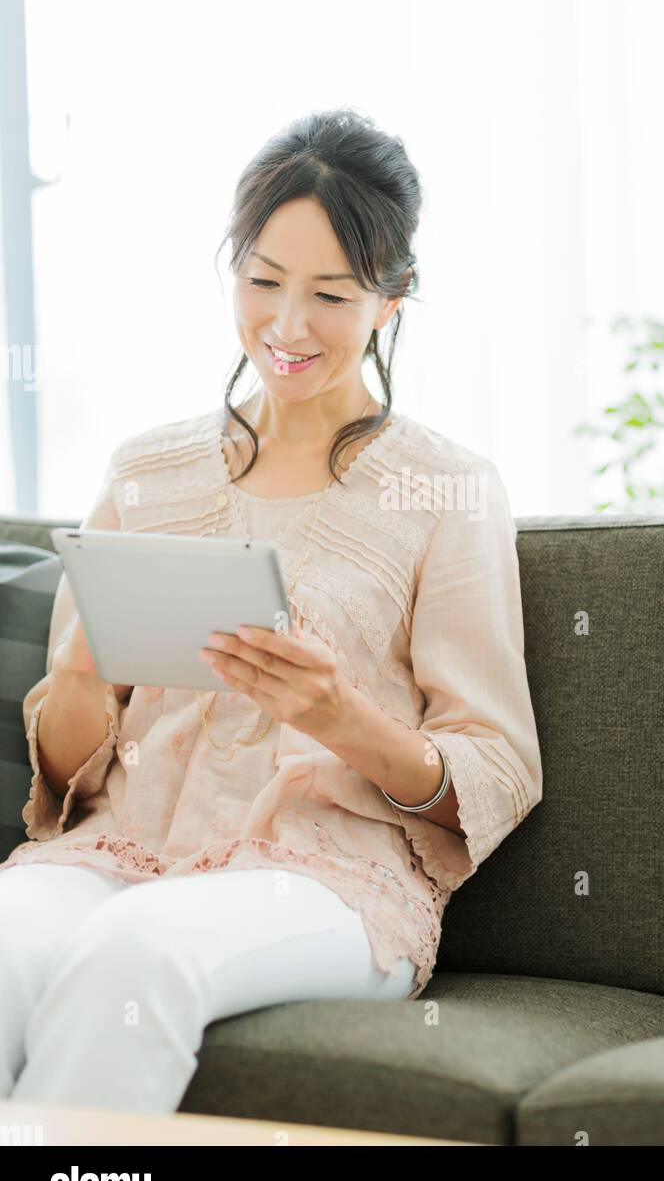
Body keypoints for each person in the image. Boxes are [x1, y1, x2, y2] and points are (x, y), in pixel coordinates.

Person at [0, 107, 543, 1115]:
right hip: (122, 849)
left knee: (135, 952)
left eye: (330, 295)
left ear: (391, 299)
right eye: (261, 282)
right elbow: (72, 773)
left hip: (327, 878)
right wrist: (79, 674)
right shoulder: (143, 472)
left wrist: (345, 719)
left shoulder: (446, 488)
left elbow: (496, 765)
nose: (286, 327)